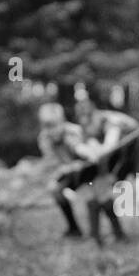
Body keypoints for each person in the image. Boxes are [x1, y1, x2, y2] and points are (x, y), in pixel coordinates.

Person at [73, 91, 139, 245]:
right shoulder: (86, 128)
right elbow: (91, 149)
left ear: (95, 114)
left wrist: (95, 151)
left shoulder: (111, 121)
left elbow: (108, 147)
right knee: (102, 188)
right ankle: (115, 234)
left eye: (88, 120)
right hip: (121, 154)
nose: (87, 125)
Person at [37, 102, 98, 238]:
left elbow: (85, 153)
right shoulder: (44, 138)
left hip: (87, 170)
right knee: (55, 191)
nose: (51, 131)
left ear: (62, 121)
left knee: (93, 195)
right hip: (67, 172)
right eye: (47, 127)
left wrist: (83, 153)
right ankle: (74, 228)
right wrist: (54, 177)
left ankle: (97, 232)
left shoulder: (74, 132)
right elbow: (51, 162)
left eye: (54, 126)